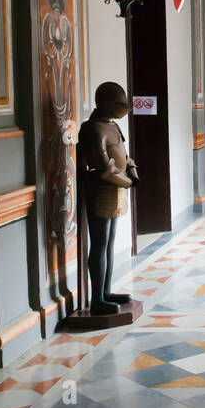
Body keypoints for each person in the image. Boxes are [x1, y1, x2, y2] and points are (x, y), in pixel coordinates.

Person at [78, 82, 138, 315]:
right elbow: (104, 167)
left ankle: (106, 291)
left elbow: (124, 155)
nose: (123, 109)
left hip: (116, 188)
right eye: (118, 104)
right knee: (100, 243)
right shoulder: (93, 128)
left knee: (110, 242)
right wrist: (128, 181)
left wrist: (132, 169)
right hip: (102, 188)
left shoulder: (111, 126)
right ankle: (97, 299)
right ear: (106, 103)